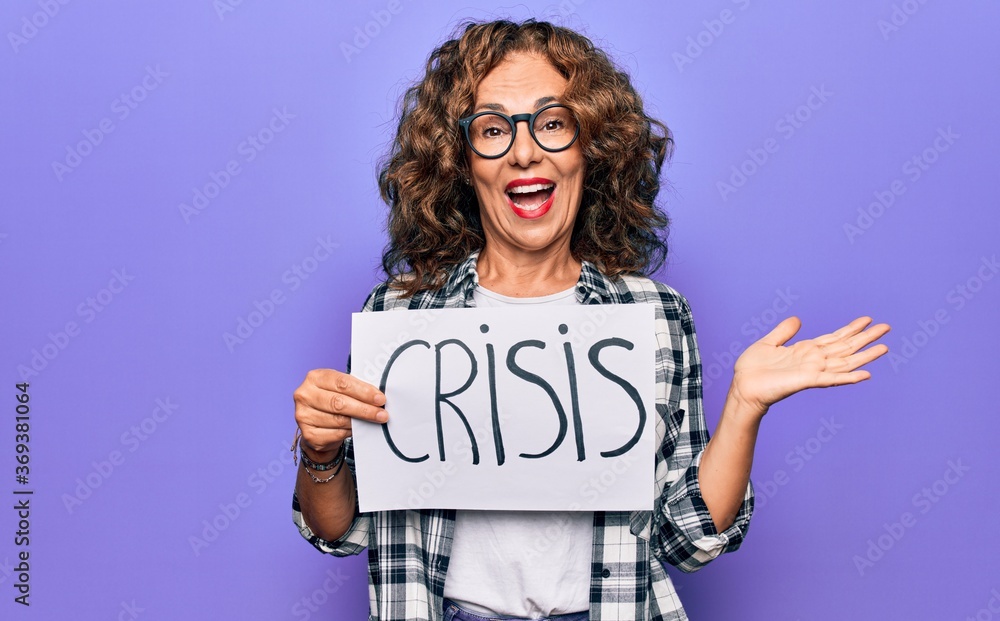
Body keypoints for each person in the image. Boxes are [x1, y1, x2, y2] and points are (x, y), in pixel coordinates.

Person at [291, 19, 889, 621]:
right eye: (493, 129)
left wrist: (743, 408)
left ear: (591, 147)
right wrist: (320, 453)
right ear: (461, 161)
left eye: (552, 123)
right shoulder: (401, 317)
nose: (525, 151)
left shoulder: (653, 317)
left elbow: (687, 540)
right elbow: (341, 530)